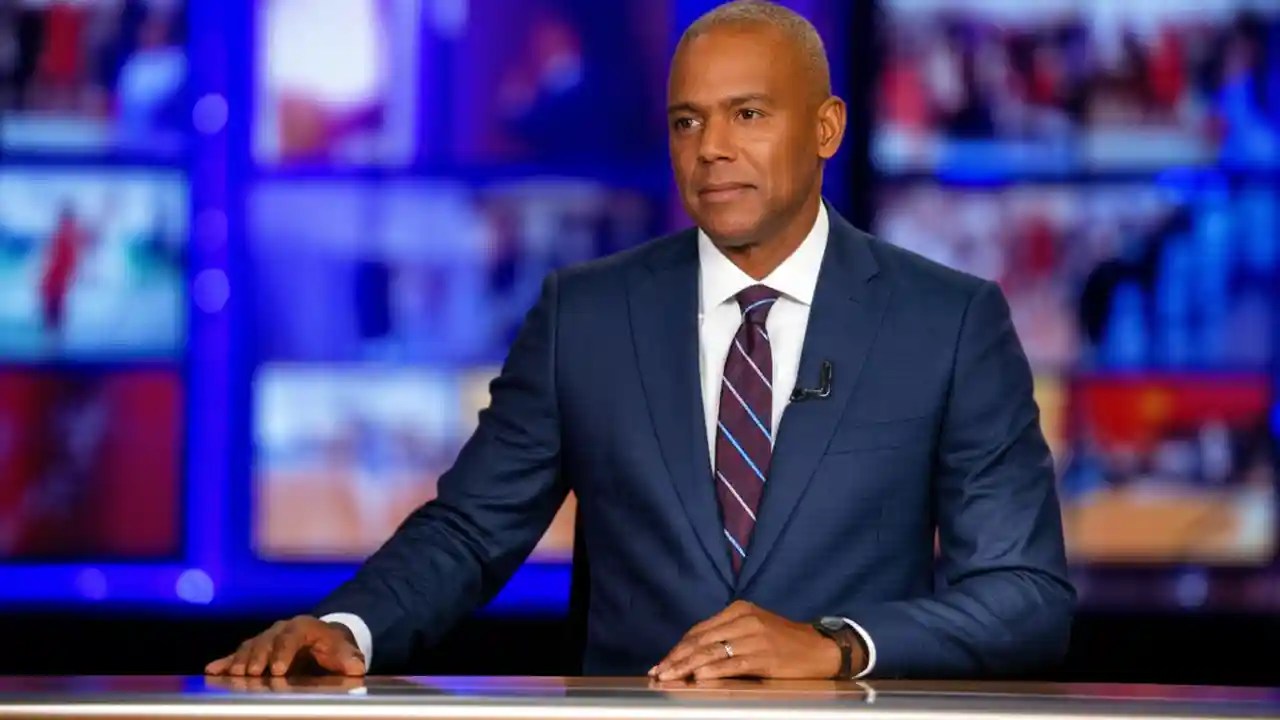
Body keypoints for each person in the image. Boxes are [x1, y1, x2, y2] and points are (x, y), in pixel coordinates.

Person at [207, 0, 1074, 681]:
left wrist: (839, 645)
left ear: (826, 130)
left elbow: (1023, 595)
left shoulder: (947, 323)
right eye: (688, 122)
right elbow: (470, 532)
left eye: (747, 115)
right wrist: (347, 626)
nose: (712, 150)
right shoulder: (586, 315)